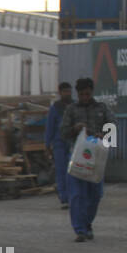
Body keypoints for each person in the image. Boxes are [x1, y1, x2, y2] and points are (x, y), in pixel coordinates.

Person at [60, 77, 114, 242]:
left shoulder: (102, 108)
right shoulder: (71, 110)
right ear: (78, 93)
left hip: (96, 157)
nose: (84, 97)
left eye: (87, 94)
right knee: (76, 195)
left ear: (92, 92)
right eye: (82, 94)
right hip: (77, 156)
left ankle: (87, 223)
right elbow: (63, 133)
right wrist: (74, 129)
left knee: (95, 195)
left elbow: (113, 126)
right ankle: (80, 230)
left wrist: (103, 134)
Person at [44, 81, 74, 209]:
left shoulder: (75, 106)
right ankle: (64, 198)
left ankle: (74, 196)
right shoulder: (55, 108)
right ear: (60, 93)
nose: (68, 93)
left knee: (74, 171)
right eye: (65, 91)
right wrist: (47, 145)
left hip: (73, 143)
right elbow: (50, 127)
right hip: (59, 144)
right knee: (61, 171)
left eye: (69, 91)